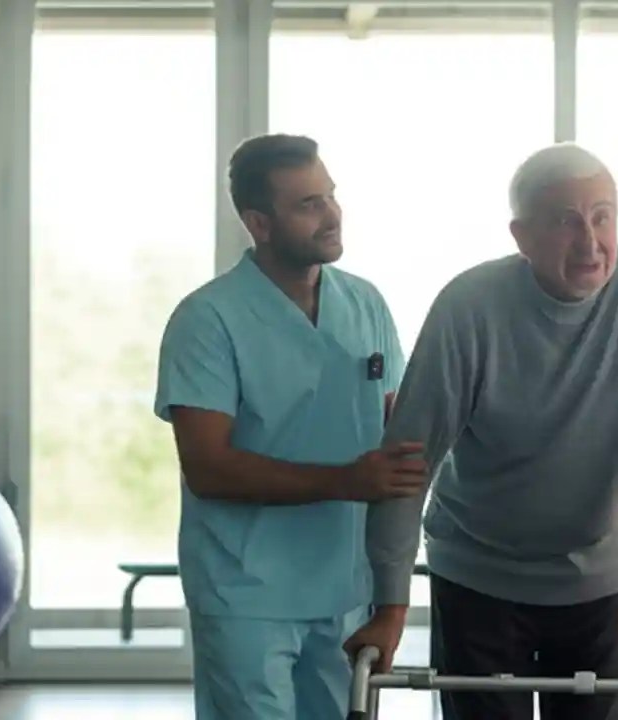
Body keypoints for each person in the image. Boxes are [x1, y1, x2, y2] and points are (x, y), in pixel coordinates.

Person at [344, 142, 618, 720]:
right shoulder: (470, 306)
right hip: (477, 574)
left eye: (602, 216)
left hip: (601, 584)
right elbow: (408, 460)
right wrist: (390, 605)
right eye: (566, 222)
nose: (590, 242)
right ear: (522, 236)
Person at [152, 133, 429, 719]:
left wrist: (390, 594)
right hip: (246, 594)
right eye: (308, 204)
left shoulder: (366, 305)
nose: (331, 215)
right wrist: (347, 481)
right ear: (259, 222)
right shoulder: (207, 320)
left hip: (346, 589)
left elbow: (399, 439)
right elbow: (208, 468)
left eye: (330, 196)